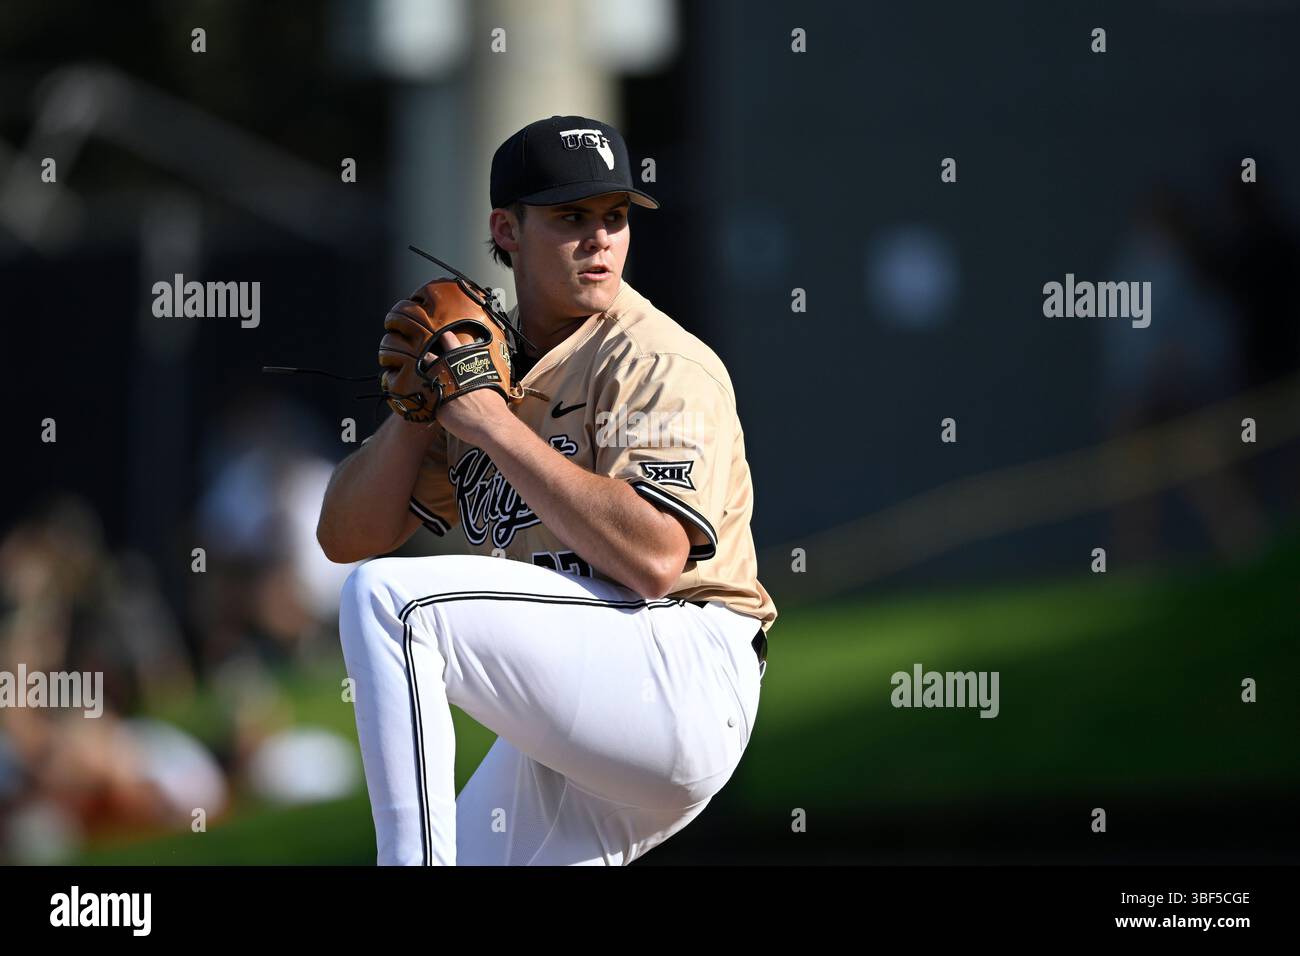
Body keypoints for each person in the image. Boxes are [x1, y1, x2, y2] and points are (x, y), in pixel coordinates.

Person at [318, 116, 776, 865]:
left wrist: (493, 427)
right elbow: (345, 536)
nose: (600, 239)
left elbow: (657, 556)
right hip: (587, 709)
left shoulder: (656, 358)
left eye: (616, 217)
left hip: (680, 671)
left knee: (392, 605)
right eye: (572, 217)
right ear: (507, 228)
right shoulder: (490, 363)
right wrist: (416, 413)